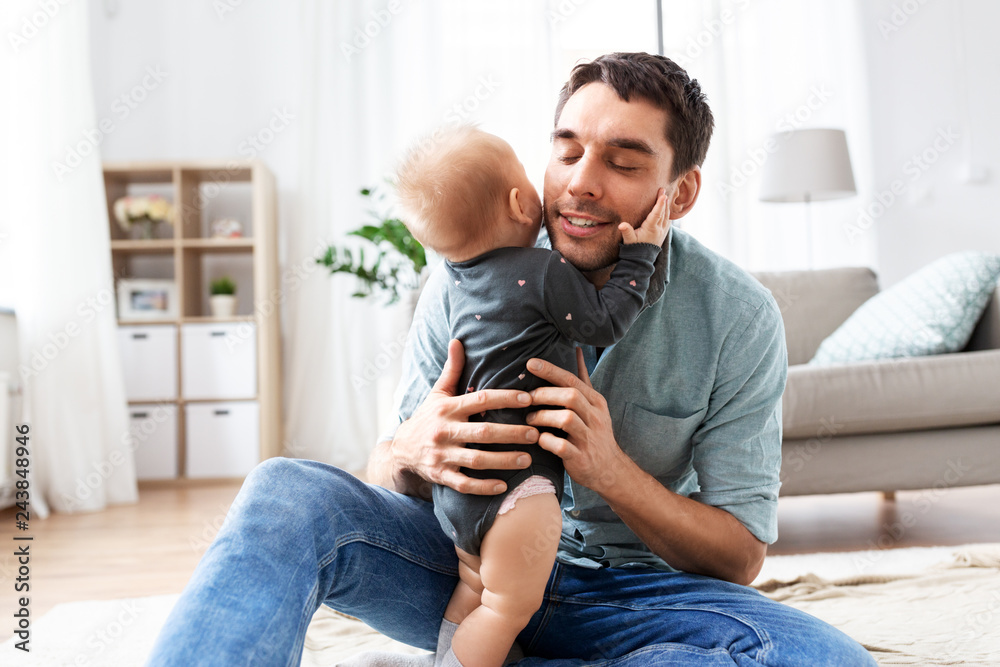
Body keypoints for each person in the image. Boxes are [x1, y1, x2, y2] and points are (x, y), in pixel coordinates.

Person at [146, 52, 877, 666]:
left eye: (622, 161)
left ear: (677, 193)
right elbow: (385, 479)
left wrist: (610, 470)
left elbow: (739, 557)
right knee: (287, 492)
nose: (580, 182)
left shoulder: (738, 315)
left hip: (634, 595)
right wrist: (411, 450)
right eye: (566, 151)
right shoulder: (467, 278)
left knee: (820, 657)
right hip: (465, 570)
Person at [391, 125, 670, 667]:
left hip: (460, 492)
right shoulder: (543, 271)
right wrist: (640, 257)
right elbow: (605, 322)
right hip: (521, 487)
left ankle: (444, 658)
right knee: (506, 609)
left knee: (474, 589)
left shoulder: (456, 281)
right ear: (522, 203)